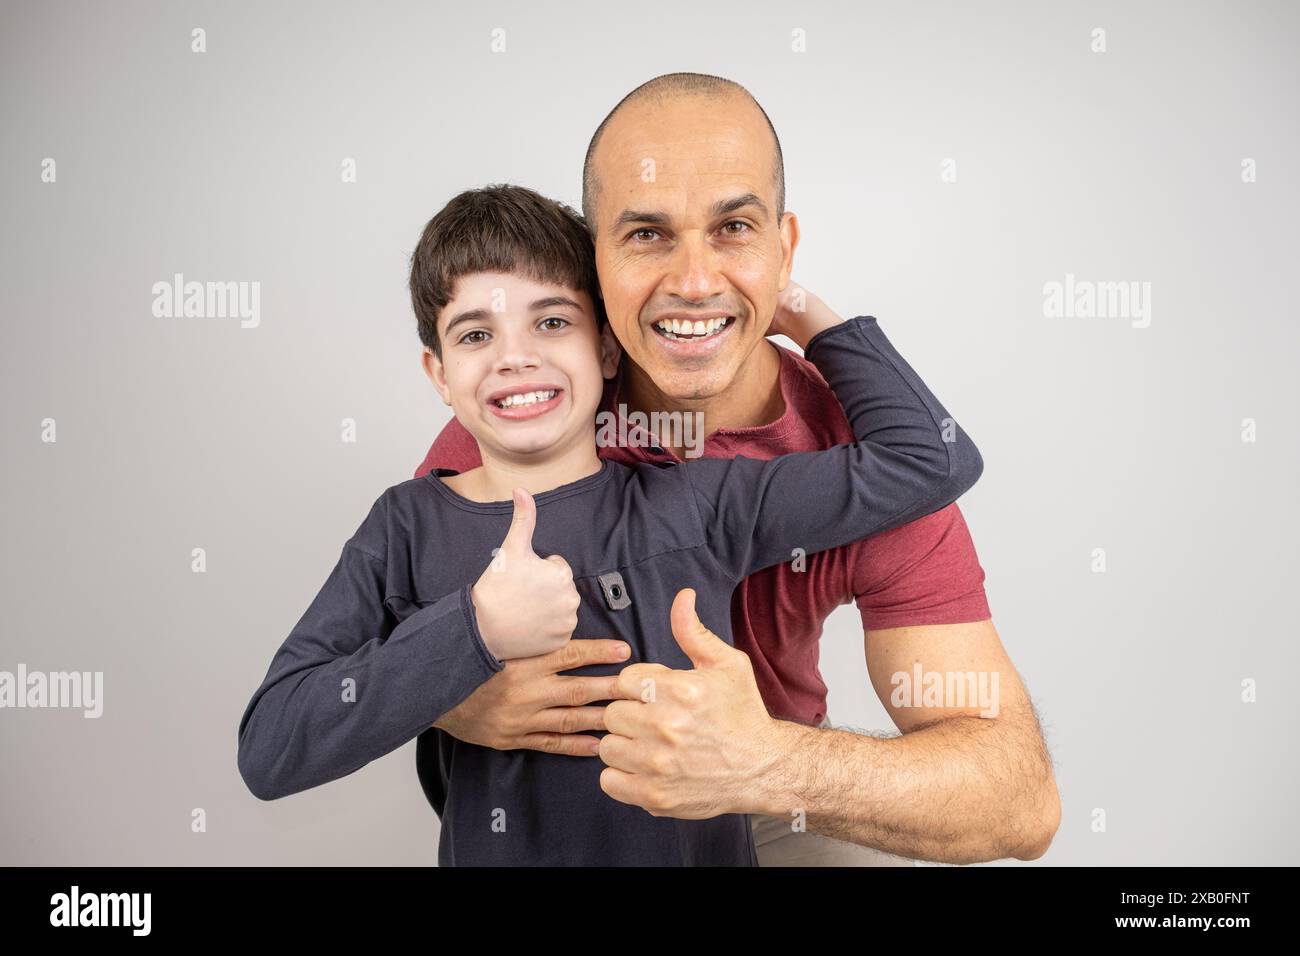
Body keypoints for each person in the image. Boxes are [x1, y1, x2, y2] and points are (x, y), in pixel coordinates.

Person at [418, 73, 1061, 866]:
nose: (693, 281)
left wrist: (763, 762)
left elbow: (1018, 798)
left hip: (766, 797)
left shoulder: (870, 454)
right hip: (555, 812)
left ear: (783, 248)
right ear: (593, 261)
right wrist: (450, 695)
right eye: (647, 234)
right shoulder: (523, 417)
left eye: (733, 228)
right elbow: (362, 654)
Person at [237, 183, 983, 865]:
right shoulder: (406, 526)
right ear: (438, 374)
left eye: (551, 321)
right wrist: (473, 633)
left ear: (603, 347)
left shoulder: (695, 502)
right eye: (474, 336)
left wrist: (798, 312)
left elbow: (931, 460)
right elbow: (271, 748)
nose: (515, 358)